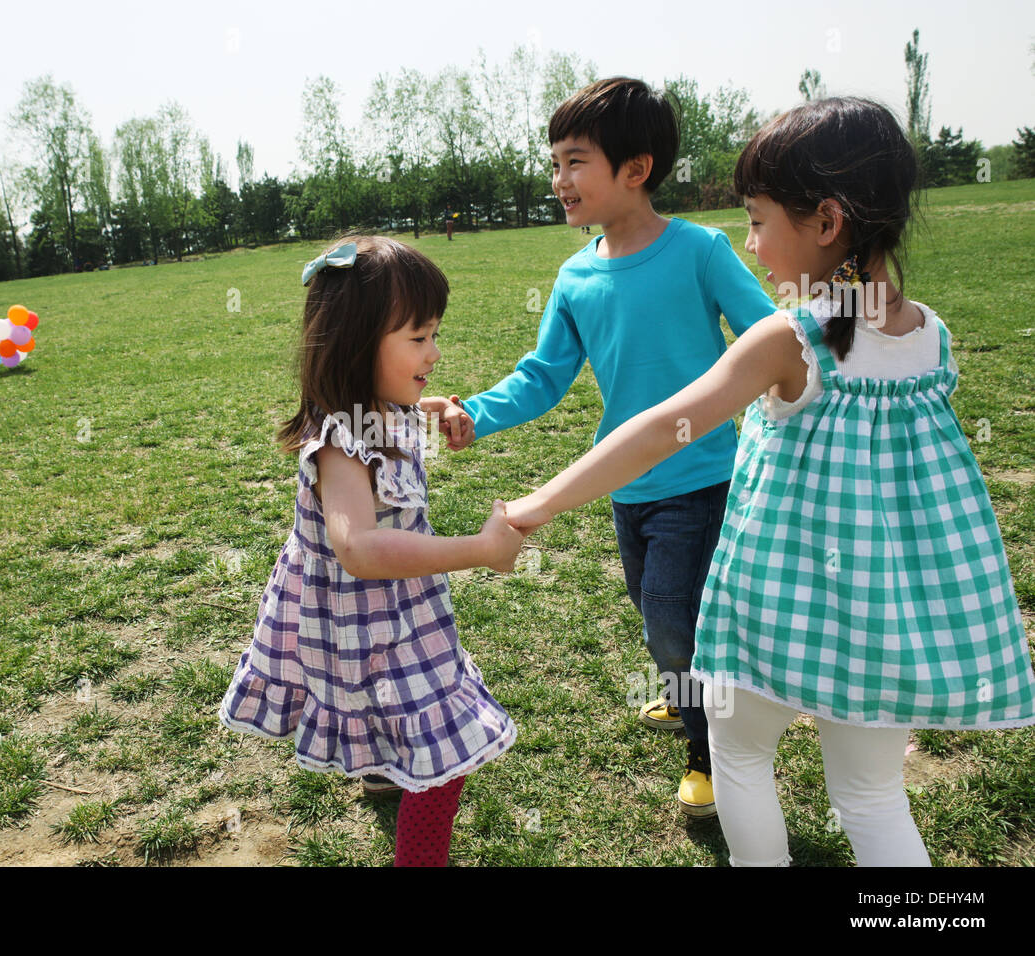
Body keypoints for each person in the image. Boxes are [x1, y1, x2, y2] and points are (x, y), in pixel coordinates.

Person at [502, 97, 1035, 866]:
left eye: (756, 219)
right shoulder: (932, 338)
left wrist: (534, 505)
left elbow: (660, 430)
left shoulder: (791, 339)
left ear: (825, 222)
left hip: (773, 613)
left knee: (741, 758)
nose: (749, 244)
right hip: (875, 621)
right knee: (873, 798)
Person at [427, 77, 776, 817]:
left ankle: (707, 751)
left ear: (636, 169)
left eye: (574, 161)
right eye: (554, 162)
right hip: (627, 488)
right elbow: (545, 375)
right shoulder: (575, 274)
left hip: (704, 479)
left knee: (672, 617)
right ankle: (687, 697)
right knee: (657, 614)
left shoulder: (701, 251)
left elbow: (769, 336)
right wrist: (475, 415)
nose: (558, 180)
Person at [219, 234, 524, 867]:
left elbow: (405, 415)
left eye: (434, 334)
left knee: (419, 740)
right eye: (419, 339)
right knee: (443, 764)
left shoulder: (382, 409)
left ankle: (391, 772)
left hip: (403, 619)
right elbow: (356, 546)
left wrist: (435, 407)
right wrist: (478, 548)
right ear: (358, 346)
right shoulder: (338, 440)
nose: (435, 353)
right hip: (367, 629)